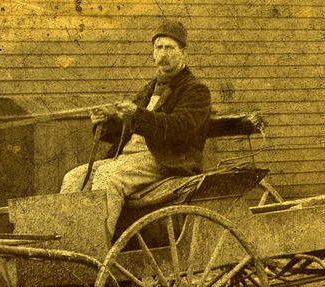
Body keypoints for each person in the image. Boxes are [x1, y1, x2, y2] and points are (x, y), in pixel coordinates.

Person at [59, 21, 212, 238]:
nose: (163, 54)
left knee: (107, 176)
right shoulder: (149, 89)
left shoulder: (196, 90)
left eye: (170, 48)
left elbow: (180, 128)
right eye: (159, 48)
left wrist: (137, 114)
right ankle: (67, 242)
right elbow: (127, 129)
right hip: (130, 159)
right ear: (153, 54)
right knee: (74, 177)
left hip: (167, 160)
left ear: (183, 53)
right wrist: (104, 122)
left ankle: (95, 250)